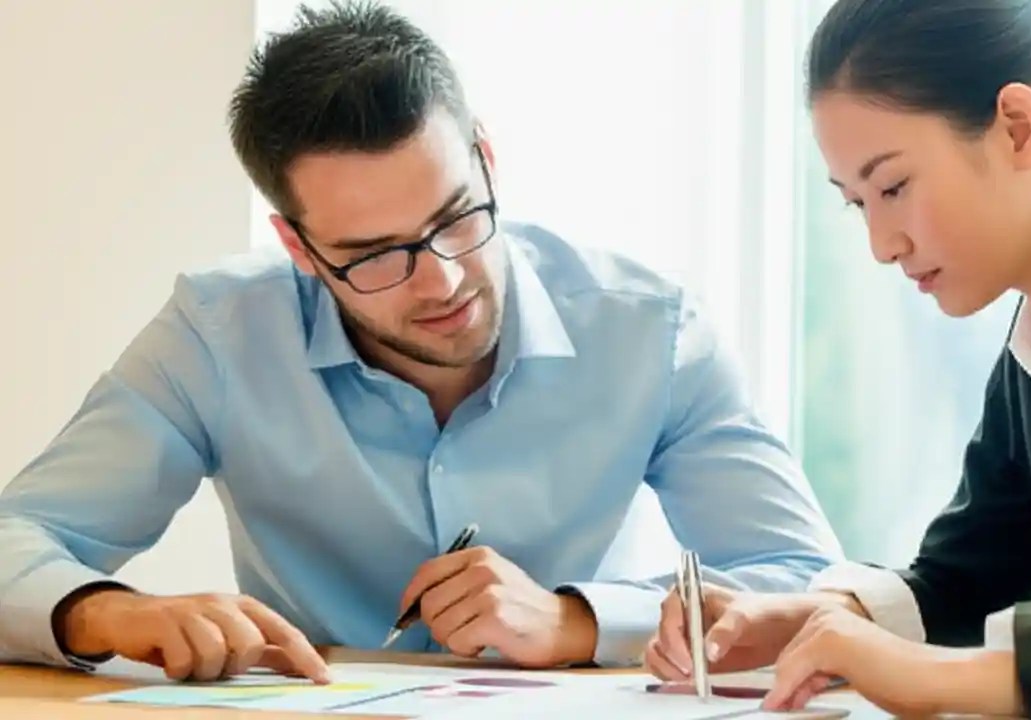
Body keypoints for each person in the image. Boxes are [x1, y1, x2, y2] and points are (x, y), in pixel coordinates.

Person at [0, 0, 842, 683]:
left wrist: (582, 620)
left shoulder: (648, 330)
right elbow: (17, 539)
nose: (440, 281)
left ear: (485, 157)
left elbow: (813, 585)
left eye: (455, 219)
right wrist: (103, 610)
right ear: (298, 247)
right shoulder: (220, 335)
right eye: (373, 257)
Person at [646, 0, 1031, 717]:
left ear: (1018, 127)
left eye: (893, 187)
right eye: (858, 204)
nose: (883, 244)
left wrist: (928, 679)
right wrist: (805, 620)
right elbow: (967, 578)